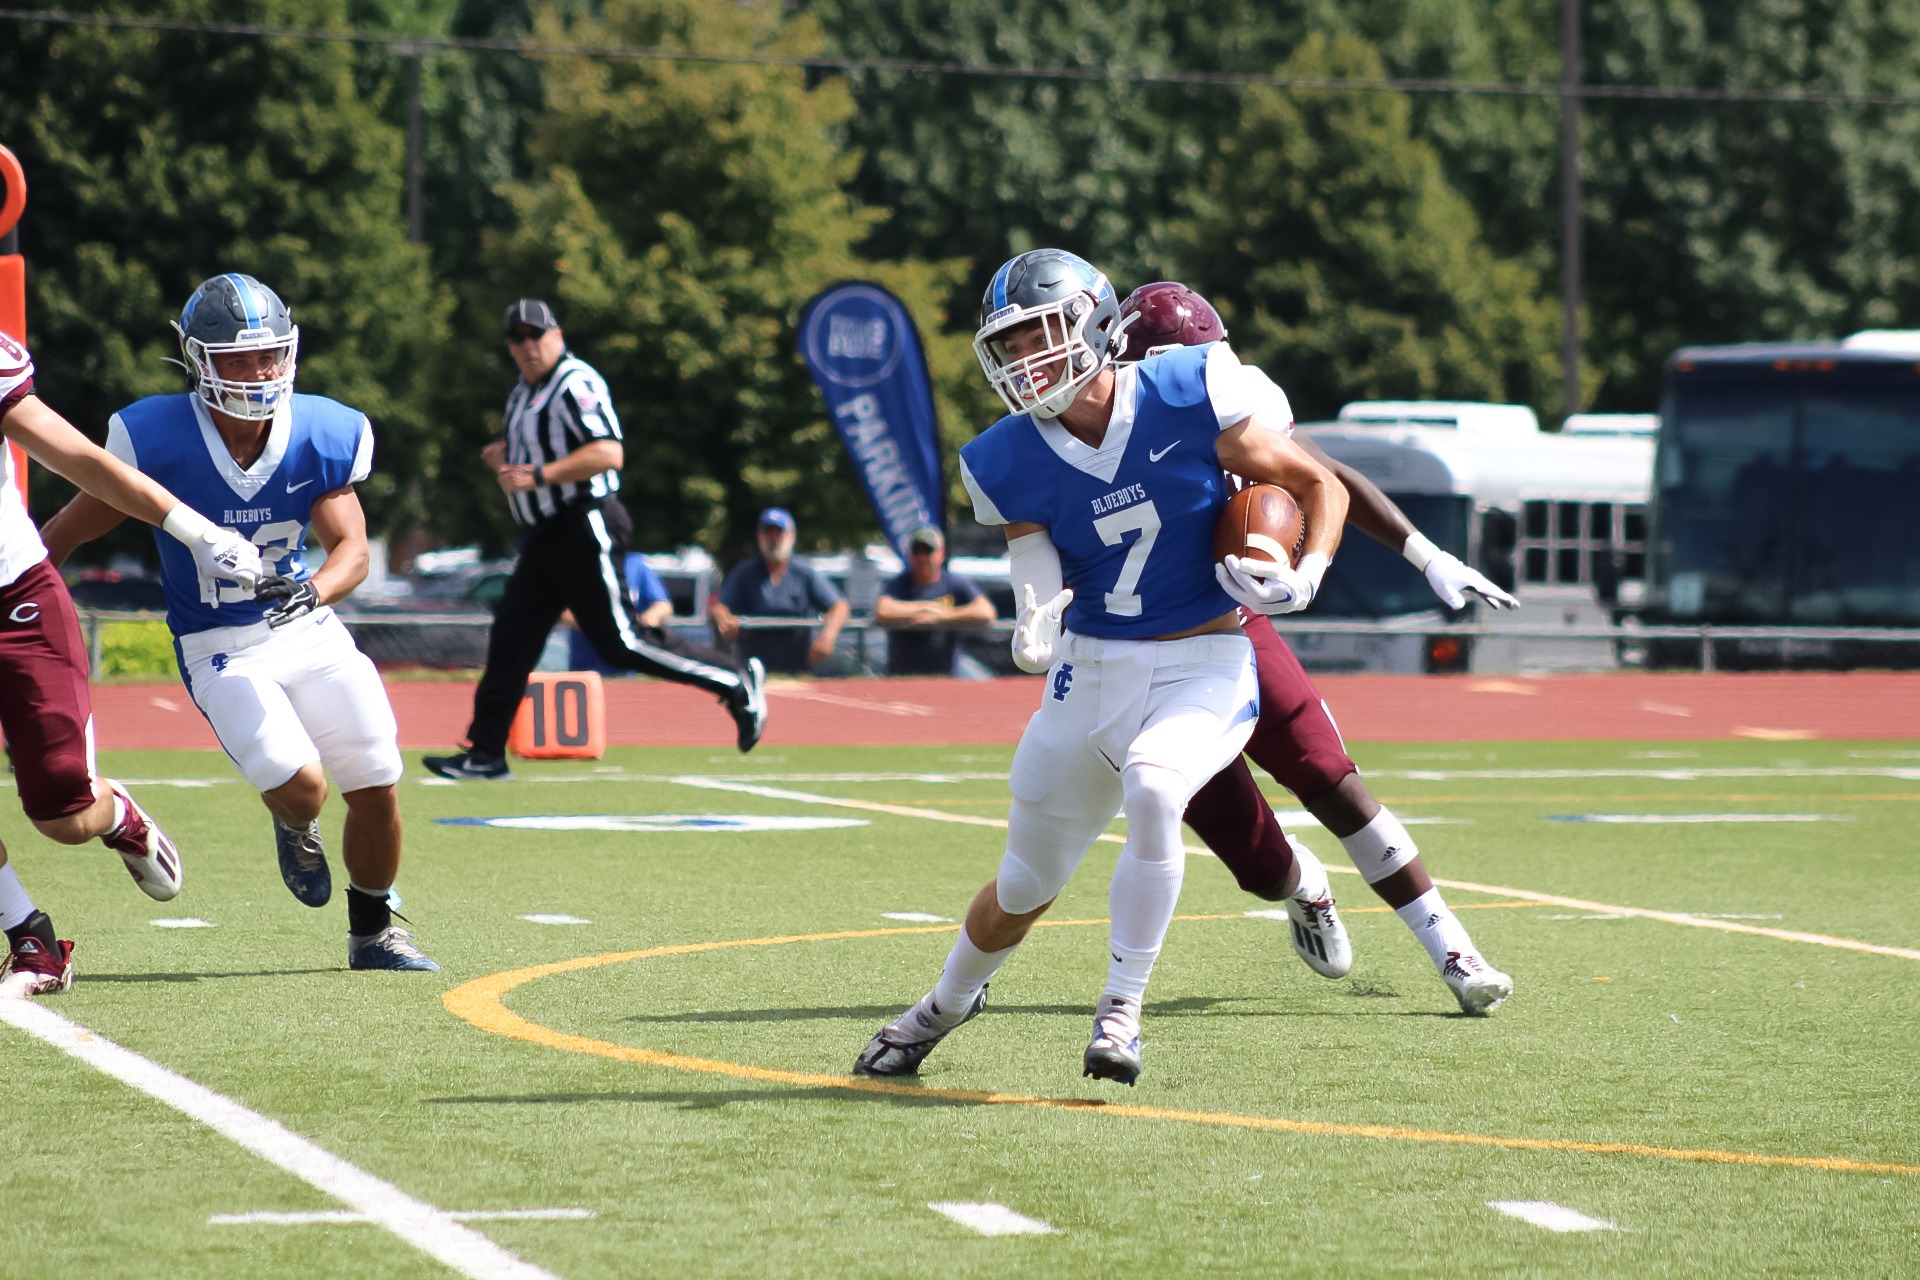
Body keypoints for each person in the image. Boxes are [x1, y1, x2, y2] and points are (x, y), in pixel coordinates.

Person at [854, 248, 1352, 1086]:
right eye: (1006, 348)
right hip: (1091, 669)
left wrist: (1308, 573)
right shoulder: (1006, 455)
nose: (1023, 362)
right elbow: (1034, 557)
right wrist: (1035, 611)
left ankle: (1120, 1014)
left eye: (1036, 336)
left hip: (1205, 656)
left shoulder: (1187, 388)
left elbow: (1315, 483)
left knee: (1158, 789)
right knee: (1024, 884)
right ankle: (940, 1008)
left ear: (1091, 322)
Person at [1118, 280, 1514, 1013]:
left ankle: (1454, 950)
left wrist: (1427, 555)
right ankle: (1304, 885)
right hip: (1139, 658)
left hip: (1231, 627)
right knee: (1257, 862)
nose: (1201, 380)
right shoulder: (1092, 426)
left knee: (1334, 781)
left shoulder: (1239, 397)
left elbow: (1322, 476)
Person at [40, 272, 436, 973]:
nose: (259, 372)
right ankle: (295, 821)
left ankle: (374, 932)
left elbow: (354, 551)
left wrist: (314, 593)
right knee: (304, 786)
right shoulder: (155, 437)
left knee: (376, 772)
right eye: (239, 358)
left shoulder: (320, 430)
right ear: (198, 361)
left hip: (305, 627)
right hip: (218, 643)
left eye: (269, 354)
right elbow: (64, 534)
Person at [0, 326, 268, 997]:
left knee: (63, 813)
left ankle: (117, 813)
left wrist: (196, 530)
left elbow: (80, 459)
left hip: (14, 599)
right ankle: (31, 939)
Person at [423, 299, 767, 778]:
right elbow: (529, 463)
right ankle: (484, 752)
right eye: (517, 338)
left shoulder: (574, 382)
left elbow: (609, 452)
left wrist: (539, 474)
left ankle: (733, 681)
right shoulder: (522, 392)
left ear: (557, 335)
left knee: (620, 642)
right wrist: (505, 459)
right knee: (511, 638)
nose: (528, 346)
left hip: (583, 523)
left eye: (536, 334)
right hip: (543, 535)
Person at [707, 507, 851, 676]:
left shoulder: (805, 574)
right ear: (759, 537)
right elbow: (719, 606)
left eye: (779, 533)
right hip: (752, 670)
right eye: (768, 533)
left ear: (792, 536)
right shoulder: (744, 573)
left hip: (797, 670)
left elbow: (840, 606)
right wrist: (725, 619)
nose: (774, 539)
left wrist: (827, 636)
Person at [872, 524, 997, 676]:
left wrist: (941, 616)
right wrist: (926, 608)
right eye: (917, 551)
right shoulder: (900, 584)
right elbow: (883, 610)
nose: (922, 558)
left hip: (945, 676)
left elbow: (985, 612)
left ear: (941, 554)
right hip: (903, 677)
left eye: (927, 551)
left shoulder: (954, 584)